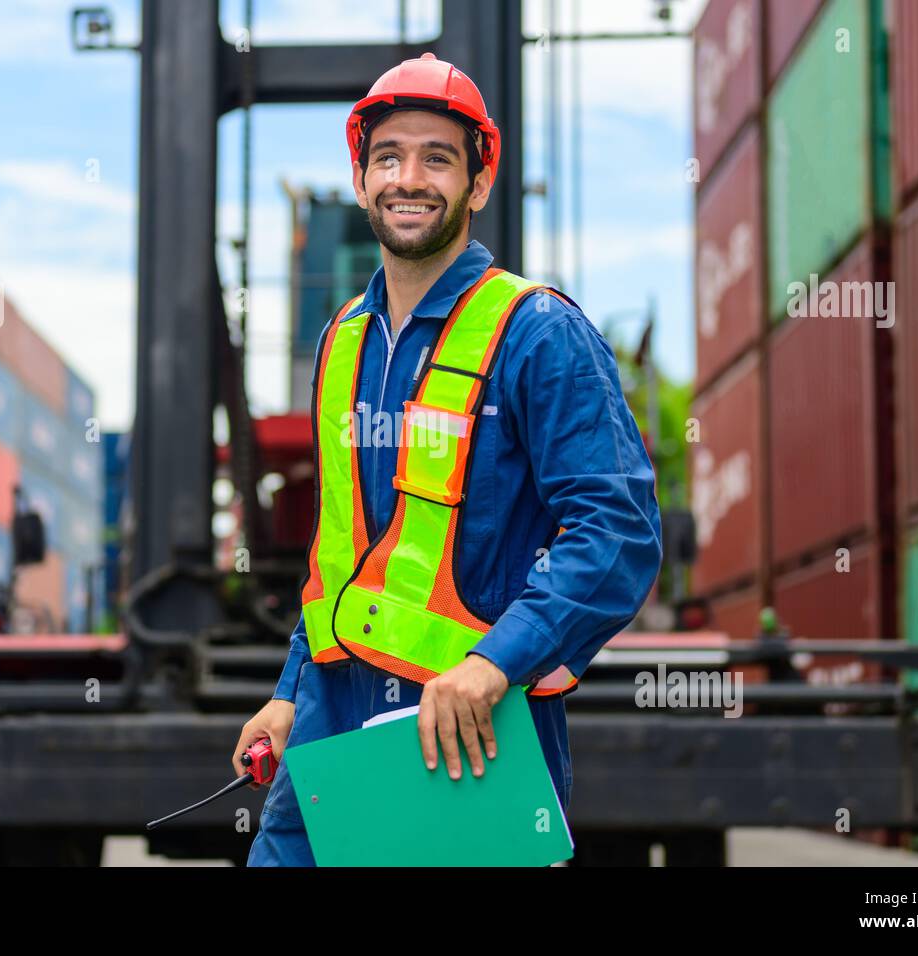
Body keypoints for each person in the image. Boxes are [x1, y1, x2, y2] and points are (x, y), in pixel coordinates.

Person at [235, 53, 662, 866]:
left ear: (478, 183)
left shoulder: (538, 333)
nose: (410, 178)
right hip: (329, 720)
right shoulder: (342, 344)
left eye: (438, 158)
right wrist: (291, 693)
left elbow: (618, 532)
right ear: (361, 181)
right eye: (389, 157)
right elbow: (343, 556)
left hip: (468, 732)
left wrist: (493, 664)